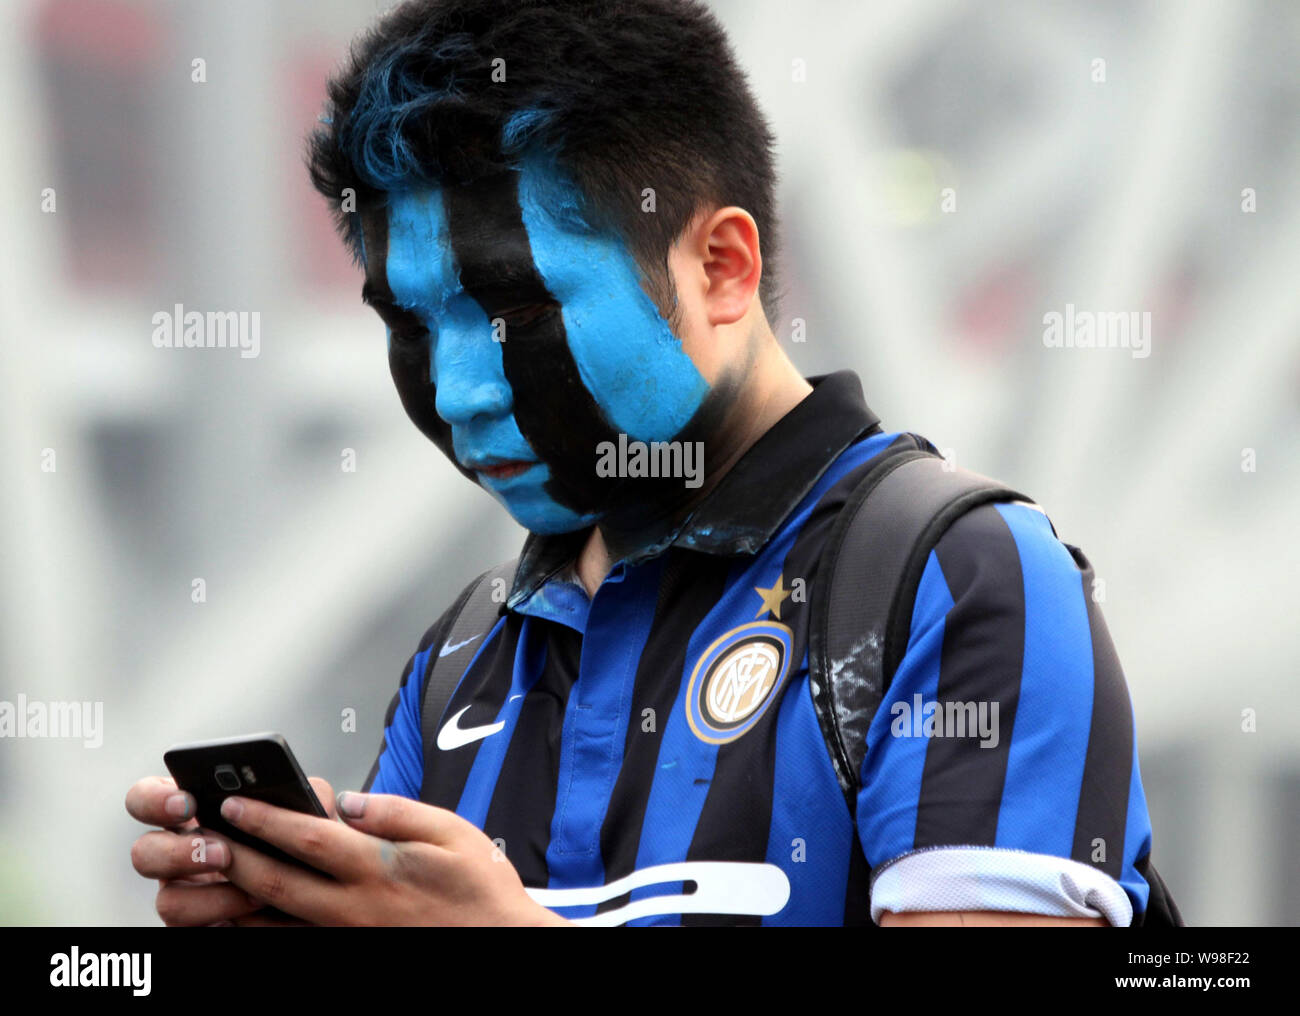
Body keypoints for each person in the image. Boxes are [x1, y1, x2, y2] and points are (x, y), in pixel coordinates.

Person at [126, 0, 1160, 927]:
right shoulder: (461, 661)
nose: (455, 388)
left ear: (721, 266)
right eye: (408, 321)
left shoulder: (961, 578)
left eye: (517, 307)